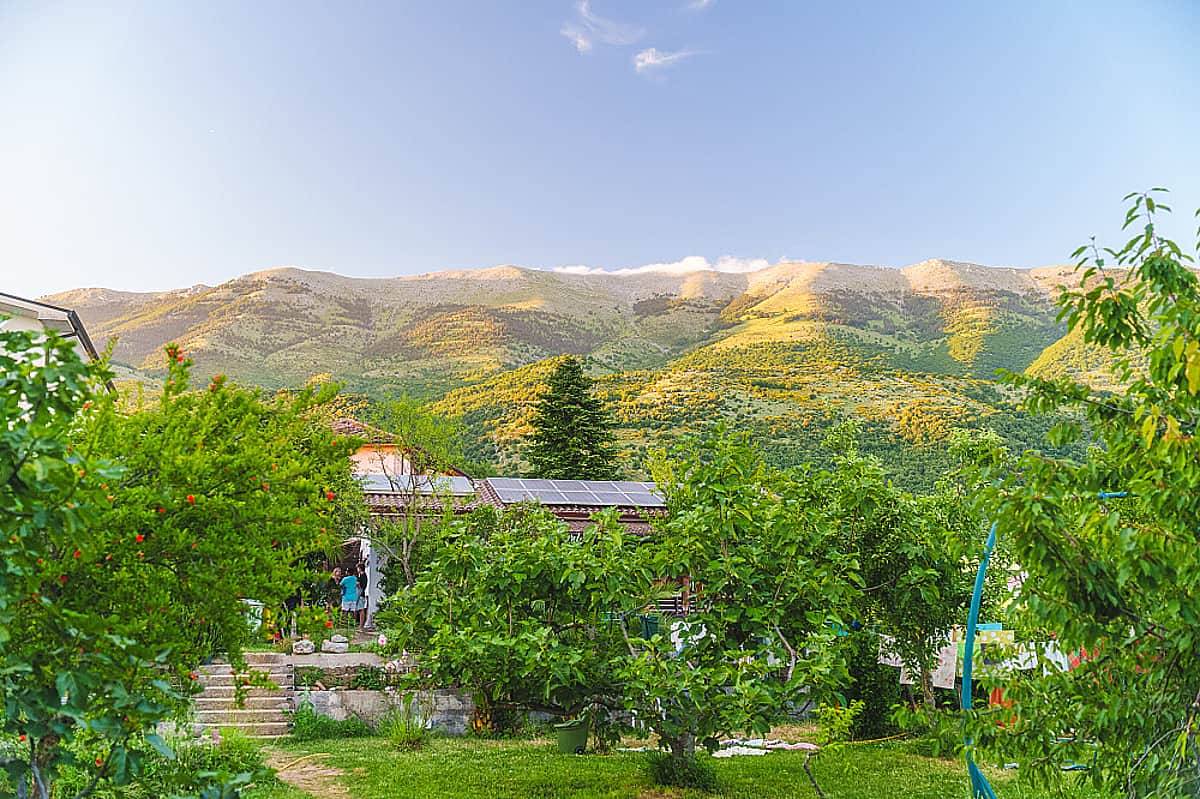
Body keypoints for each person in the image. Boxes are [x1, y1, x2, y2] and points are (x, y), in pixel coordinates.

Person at [355, 561, 369, 630]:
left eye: (358, 568)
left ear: (360, 568)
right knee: (360, 610)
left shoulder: (363, 576)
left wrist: (357, 584)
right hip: (360, 595)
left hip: (361, 595)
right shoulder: (362, 576)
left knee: (361, 610)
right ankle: (360, 625)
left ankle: (361, 626)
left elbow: (362, 586)